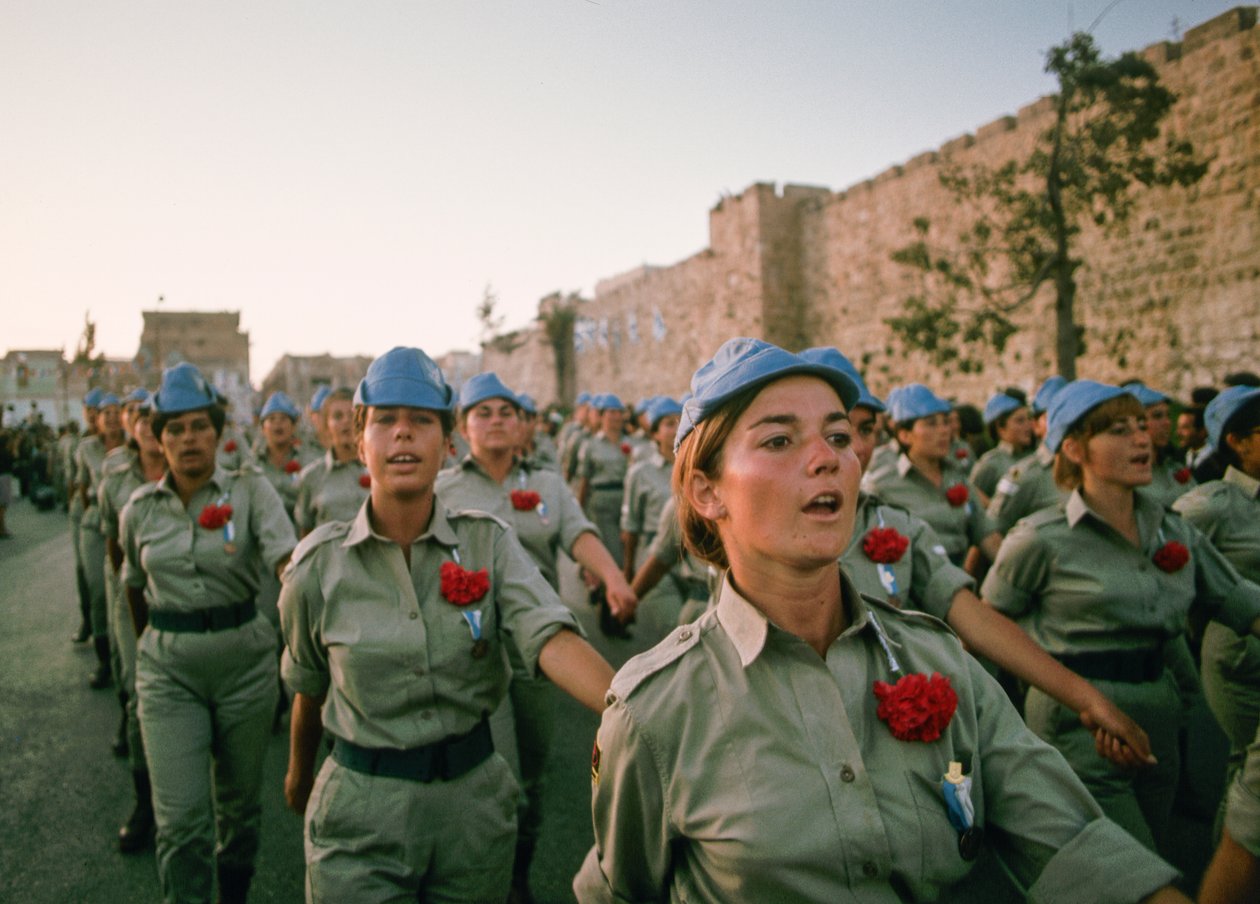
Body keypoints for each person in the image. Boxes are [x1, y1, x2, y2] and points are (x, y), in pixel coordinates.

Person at [573, 338, 1186, 903]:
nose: (829, 458)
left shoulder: (941, 663)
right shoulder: (654, 712)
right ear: (708, 492)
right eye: (780, 441)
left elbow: (1070, 839)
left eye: (838, 437)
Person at [279, 347, 615, 904]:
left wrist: (627, 706)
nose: (403, 435)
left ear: (447, 443)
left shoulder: (488, 542)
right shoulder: (318, 566)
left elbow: (549, 633)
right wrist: (297, 774)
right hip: (361, 810)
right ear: (360, 440)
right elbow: (308, 689)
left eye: (421, 421)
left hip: (472, 808)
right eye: (385, 420)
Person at [981, 380, 1260, 854]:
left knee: (1153, 847)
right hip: (1077, 721)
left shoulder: (1171, 529)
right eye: (1117, 430)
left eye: (1141, 427)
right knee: (1123, 867)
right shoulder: (1039, 539)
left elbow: (1241, 603)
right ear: (1073, 448)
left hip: (1159, 714)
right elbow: (987, 628)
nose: (1142, 438)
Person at [435, 371, 633, 903]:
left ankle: (521, 867)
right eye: (483, 412)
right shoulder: (445, 489)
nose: (496, 421)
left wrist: (614, 578)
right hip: (474, 646)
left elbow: (578, 533)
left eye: (507, 412)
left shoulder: (545, 484)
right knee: (499, 776)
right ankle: (491, 882)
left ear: (523, 425)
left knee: (533, 777)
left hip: (544, 646)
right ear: (462, 427)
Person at [121, 362, 297, 904]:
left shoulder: (251, 492)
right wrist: (155, 646)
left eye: (199, 426)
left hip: (245, 661)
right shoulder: (139, 510)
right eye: (173, 428)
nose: (187, 438)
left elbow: (286, 563)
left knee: (240, 811)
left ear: (218, 433)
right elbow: (133, 585)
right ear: (158, 437)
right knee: (180, 822)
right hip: (169, 670)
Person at [1172, 385, 1260, 904]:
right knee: (1246, 771)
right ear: (1237, 442)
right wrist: (1196, 626)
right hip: (1240, 656)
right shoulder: (1210, 504)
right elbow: (1166, 557)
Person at [99, 389, 166, 853]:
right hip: (133, 590)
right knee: (138, 686)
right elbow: (114, 545)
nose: (144, 423)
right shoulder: (116, 479)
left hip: (180, 600)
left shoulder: (191, 473)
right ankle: (145, 803)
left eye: (153, 416)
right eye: (138, 416)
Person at [863, 383, 1002, 573]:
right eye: (931, 423)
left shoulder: (956, 476)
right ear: (904, 435)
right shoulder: (882, 484)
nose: (944, 430)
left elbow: (987, 535)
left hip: (960, 580)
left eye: (945, 422)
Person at [78, 391, 127, 689]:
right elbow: (82, 487)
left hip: (128, 522)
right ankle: (104, 661)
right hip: (97, 524)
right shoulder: (87, 448)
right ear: (96, 419)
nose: (110, 418)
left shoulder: (132, 446)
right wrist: (94, 515)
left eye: (115, 412)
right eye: (104, 413)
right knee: (98, 591)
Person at [577, 393, 633, 636]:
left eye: (619, 412)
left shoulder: (633, 444)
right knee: (611, 559)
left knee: (628, 557)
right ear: (601, 417)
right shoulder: (591, 444)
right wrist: (579, 511)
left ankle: (621, 611)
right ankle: (610, 616)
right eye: (611, 413)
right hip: (601, 502)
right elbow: (585, 480)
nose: (616, 417)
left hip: (626, 499)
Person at [986, 375, 1067, 536]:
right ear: (1036, 425)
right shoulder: (1024, 475)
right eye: (1053, 415)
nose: (1065, 421)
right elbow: (991, 530)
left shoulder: (1096, 468)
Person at [293, 388, 369, 536]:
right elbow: (305, 533)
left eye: (352, 415)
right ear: (327, 425)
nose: (346, 421)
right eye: (337, 416)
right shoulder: (311, 476)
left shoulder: (380, 469)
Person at [1124, 382, 1196, 508]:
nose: (1167, 422)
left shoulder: (1173, 467)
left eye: (1167, 415)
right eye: (1157, 416)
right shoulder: (1125, 478)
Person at [969, 392, 1034, 510]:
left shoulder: (1032, 457)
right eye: (1020, 421)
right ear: (1000, 427)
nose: (1028, 426)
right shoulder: (991, 463)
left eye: (1028, 419)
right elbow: (972, 495)